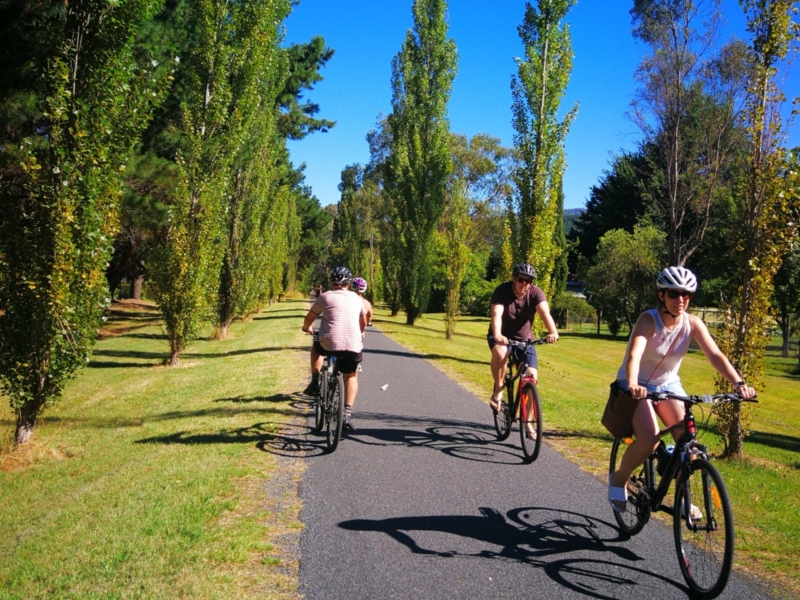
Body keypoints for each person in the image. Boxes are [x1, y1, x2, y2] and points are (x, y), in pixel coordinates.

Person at [608, 266, 756, 513]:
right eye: (674, 294)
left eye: (687, 295)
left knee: (690, 447)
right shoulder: (648, 320)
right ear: (661, 295)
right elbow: (634, 355)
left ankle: (683, 498)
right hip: (637, 385)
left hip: (668, 385)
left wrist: (739, 383)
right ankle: (619, 478)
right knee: (650, 439)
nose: (681, 300)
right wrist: (633, 383)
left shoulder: (693, 324)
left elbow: (715, 355)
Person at [487, 263, 559, 436]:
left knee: (532, 377)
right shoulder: (502, 291)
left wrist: (553, 332)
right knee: (501, 352)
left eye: (528, 281)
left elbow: (544, 313)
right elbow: (496, 314)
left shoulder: (535, 292)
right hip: (502, 336)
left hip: (524, 340)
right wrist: (497, 334)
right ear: (514, 278)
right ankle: (499, 389)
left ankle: (528, 422)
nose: (524, 284)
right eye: (521, 279)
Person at [302, 266, 367, 432]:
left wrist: (306, 327)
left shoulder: (325, 297)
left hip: (329, 343)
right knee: (352, 375)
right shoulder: (357, 299)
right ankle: (346, 414)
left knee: (317, 345)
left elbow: (310, 318)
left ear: (332, 281)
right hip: (353, 344)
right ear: (348, 283)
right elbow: (363, 322)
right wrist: (361, 333)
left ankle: (315, 381)